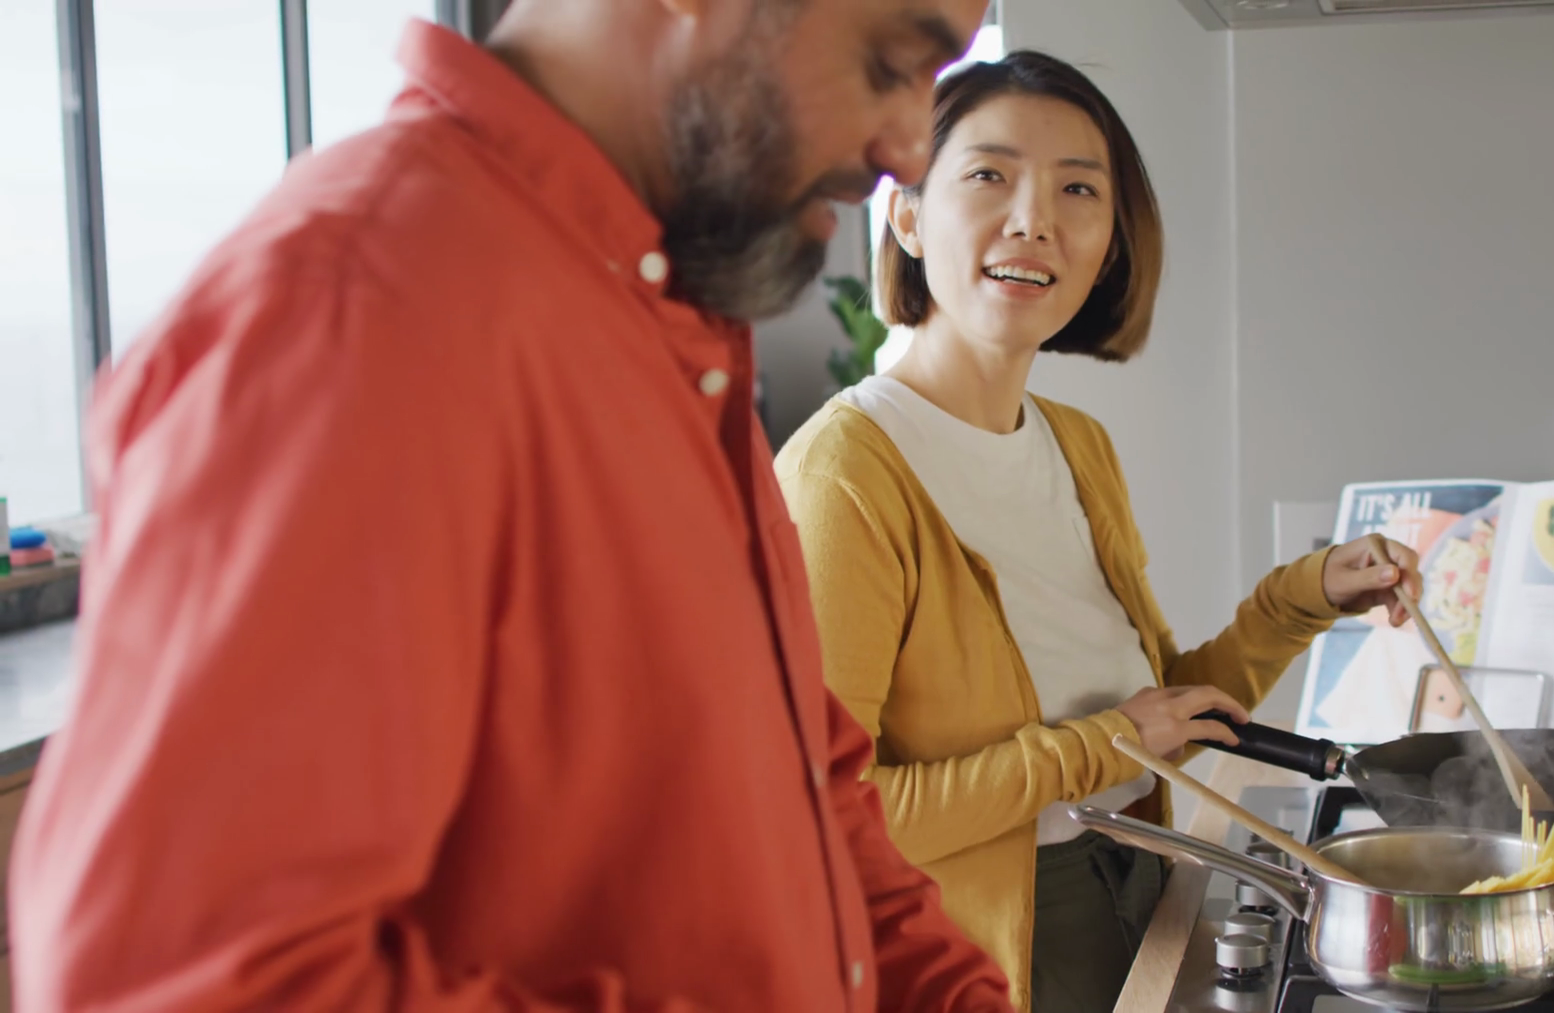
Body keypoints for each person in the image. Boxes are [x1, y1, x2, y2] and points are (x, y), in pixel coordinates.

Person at [8, 1, 1015, 1011]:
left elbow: (808, 792)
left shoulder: (667, 314)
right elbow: (176, 978)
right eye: (889, 64)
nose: (906, 144)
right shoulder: (367, 309)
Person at [773, 52, 1421, 1013]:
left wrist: (1306, 595)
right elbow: (826, 820)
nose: (1035, 219)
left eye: (1079, 188)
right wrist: (1104, 745)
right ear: (906, 215)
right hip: (991, 946)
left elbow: (1165, 718)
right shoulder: (847, 475)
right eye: (989, 175)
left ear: (1111, 239)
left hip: (1136, 879)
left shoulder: (1077, 447)